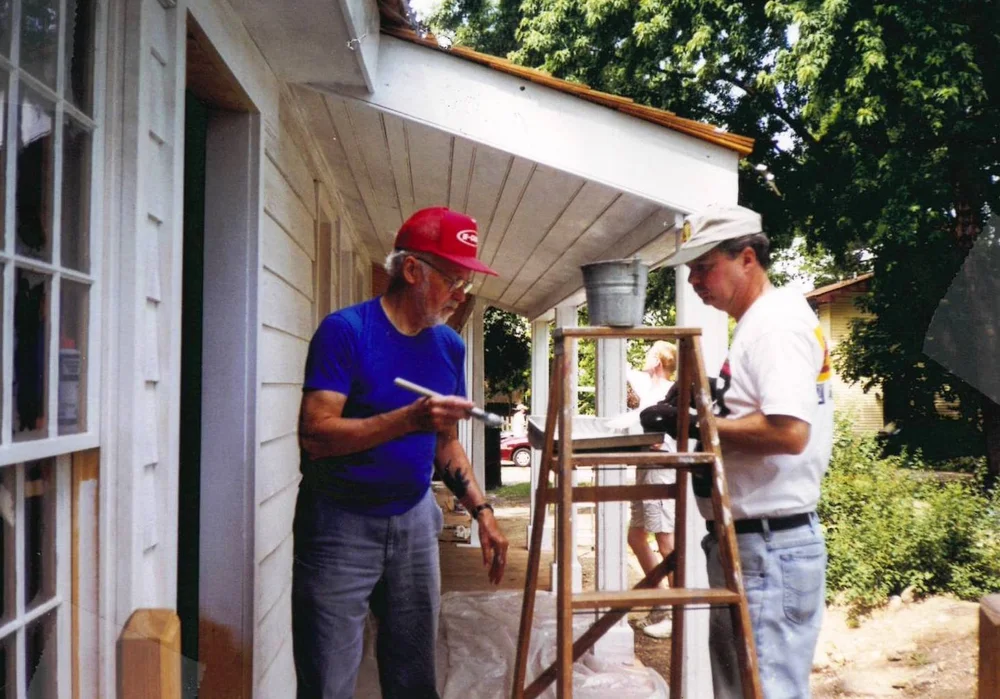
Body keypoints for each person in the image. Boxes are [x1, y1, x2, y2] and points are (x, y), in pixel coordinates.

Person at [292, 206, 510, 699]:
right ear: (412, 270)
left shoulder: (448, 347)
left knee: (414, 675)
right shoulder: (346, 331)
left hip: (414, 520)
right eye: (454, 279)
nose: (462, 294)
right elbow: (316, 435)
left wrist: (482, 510)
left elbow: (446, 442)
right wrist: (406, 420)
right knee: (328, 679)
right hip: (338, 525)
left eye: (467, 282)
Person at [644, 204, 834, 698]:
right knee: (742, 689)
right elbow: (764, 409)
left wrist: (700, 421)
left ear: (746, 258)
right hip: (756, 543)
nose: (694, 282)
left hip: (768, 545)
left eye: (704, 268)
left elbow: (790, 431)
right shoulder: (761, 322)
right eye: (690, 271)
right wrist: (713, 400)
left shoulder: (773, 326)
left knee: (763, 690)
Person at [626, 341, 678, 639]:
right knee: (636, 536)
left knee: (665, 540)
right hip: (645, 468)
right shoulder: (649, 391)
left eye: (649, 353)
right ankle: (661, 603)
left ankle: (675, 610)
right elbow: (627, 371)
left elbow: (675, 437)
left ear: (658, 360)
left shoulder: (668, 393)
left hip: (660, 469)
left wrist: (660, 444)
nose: (644, 357)